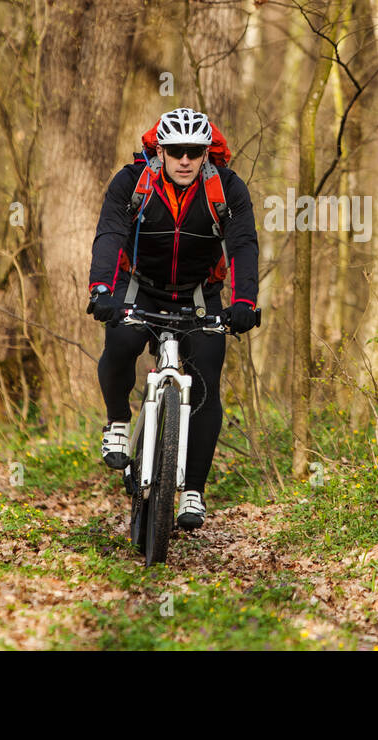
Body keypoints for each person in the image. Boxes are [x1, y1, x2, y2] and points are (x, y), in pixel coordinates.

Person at [86, 107, 259, 529]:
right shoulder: (132, 183)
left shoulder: (227, 189)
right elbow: (110, 233)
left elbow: (242, 245)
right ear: (159, 149)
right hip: (139, 284)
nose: (185, 159)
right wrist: (101, 290)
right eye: (177, 150)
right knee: (121, 343)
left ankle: (194, 492)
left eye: (194, 152)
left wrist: (245, 303)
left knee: (205, 382)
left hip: (199, 295)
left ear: (207, 154)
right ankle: (118, 422)